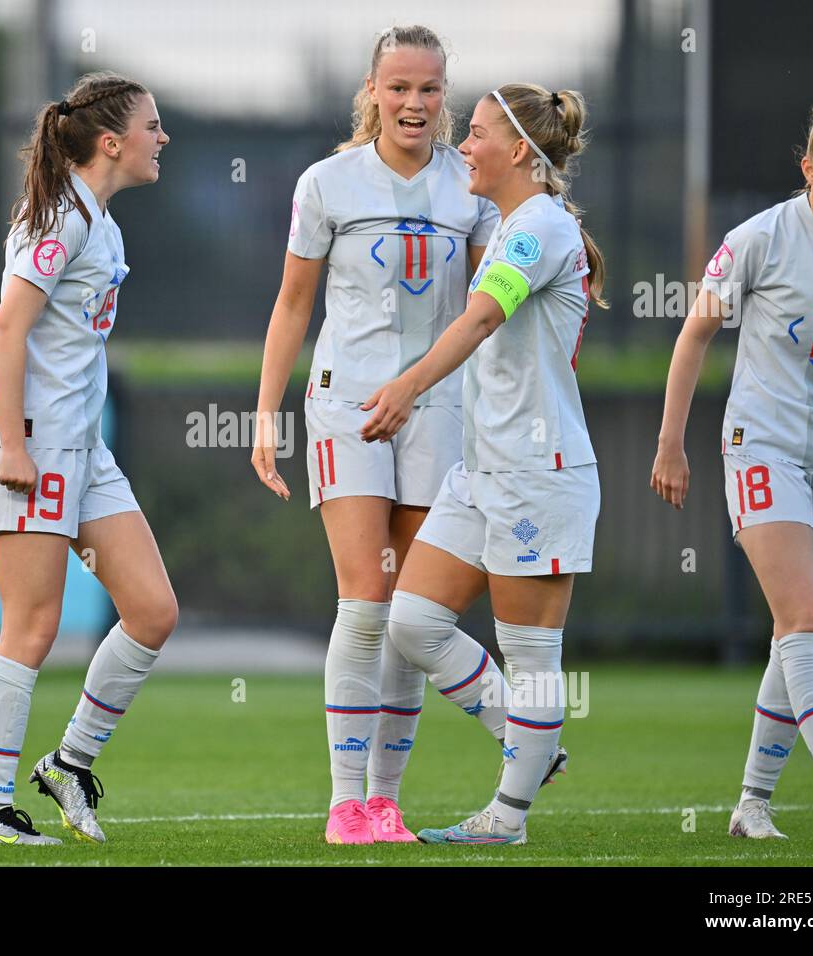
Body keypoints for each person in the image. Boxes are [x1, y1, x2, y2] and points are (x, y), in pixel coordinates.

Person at [253, 25, 515, 845]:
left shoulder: (469, 186)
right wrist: (265, 415)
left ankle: (386, 801)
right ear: (371, 90)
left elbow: (484, 312)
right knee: (365, 602)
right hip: (346, 407)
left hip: (439, 410)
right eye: (398, 87)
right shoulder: (327, 183)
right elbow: (294, 304)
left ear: (447, 97)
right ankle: (343, 804)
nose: (414, 103)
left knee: (411, 610)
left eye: (430, 89)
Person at [363, 83, 606, 846]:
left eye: (477, 134)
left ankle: (508, 815)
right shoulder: (513, 224)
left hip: (540, 473)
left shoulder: (537, 229)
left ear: (522, 154)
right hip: (483, 468)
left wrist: (407, 385)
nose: (462, 144)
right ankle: (531, 740)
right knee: (412, 621)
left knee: (531, 655)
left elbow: (481, 318)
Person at [651, 103, 813, 846]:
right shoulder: (758, 239)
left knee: (800, 636)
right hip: (764, 445)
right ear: (810, 169)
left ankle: (752, 803)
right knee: (806, 623)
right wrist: (670, 442)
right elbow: (694, 336)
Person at [0, 72, 176, 847]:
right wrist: (16, 446)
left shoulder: (101, 220)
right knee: (31, 626)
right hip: (37, 446)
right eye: (154, 127)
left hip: (85, 451)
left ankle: (70, 762)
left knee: (153, 611)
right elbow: (5, 331)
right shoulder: (59, 218)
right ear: (112, 142)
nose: (164, 139)